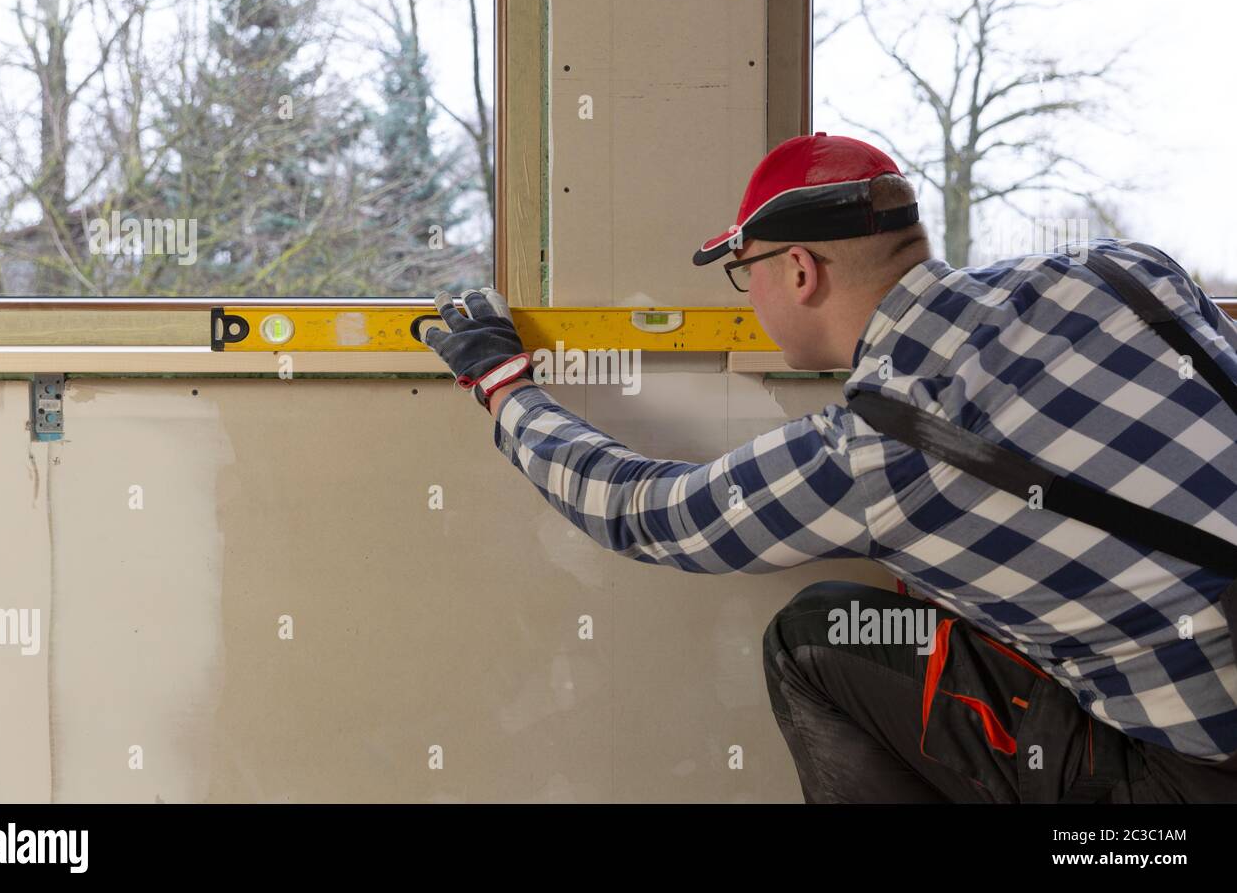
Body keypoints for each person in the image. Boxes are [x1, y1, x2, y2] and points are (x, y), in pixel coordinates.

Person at [418, 132, 1237, 802]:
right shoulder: (1127, 273)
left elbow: (645, 512)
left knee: (818, 636)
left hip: (1186, 791)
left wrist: (502, 385)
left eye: (746, 276)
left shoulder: (875, 449)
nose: (749, 301)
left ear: (799, 272)